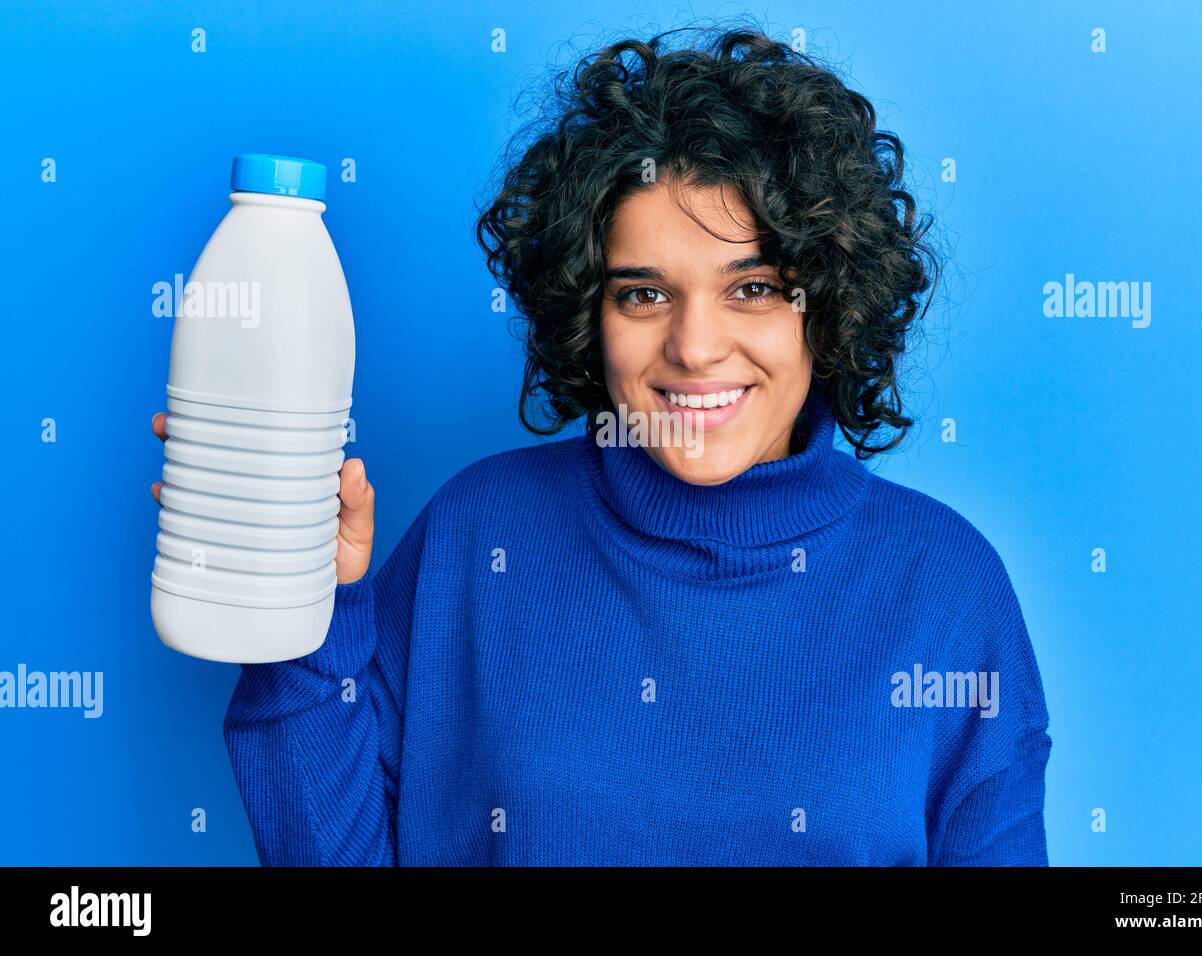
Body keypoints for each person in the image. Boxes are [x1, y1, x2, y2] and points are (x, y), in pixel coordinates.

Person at [151, 26, 1052, 865]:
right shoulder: (480, 533)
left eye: (755, 288)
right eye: (644, 295)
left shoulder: (945, 585)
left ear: (831, 304)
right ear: (590, 311)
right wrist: (310, 608)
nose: (695, 348)